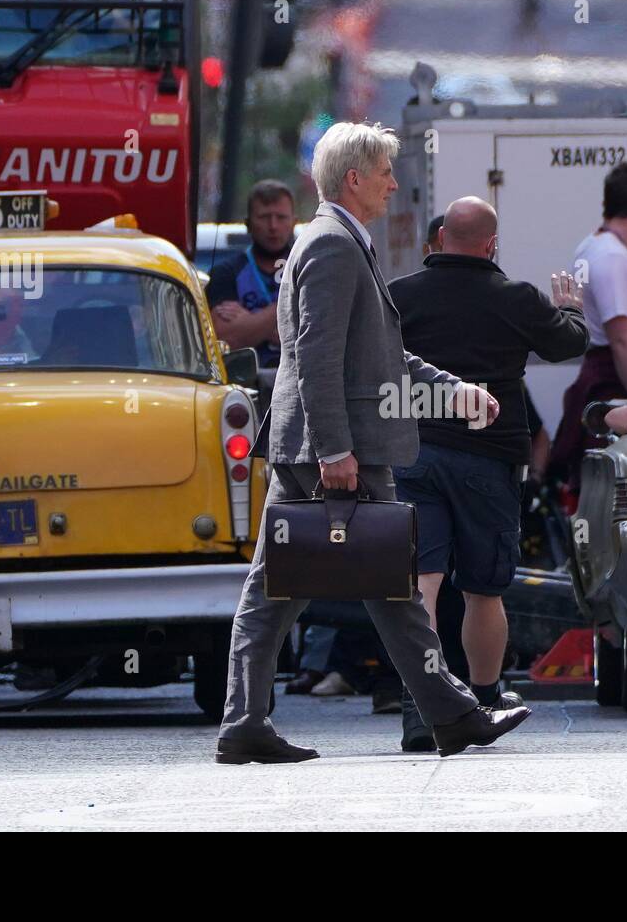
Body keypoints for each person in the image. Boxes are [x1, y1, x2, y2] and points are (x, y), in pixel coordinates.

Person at [215, 122, 530, 764]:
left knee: (318, 591)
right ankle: (451, 714)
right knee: (380, 586)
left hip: (326, 445)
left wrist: (453, 389)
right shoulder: (333, 245)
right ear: (354, 179)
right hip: (336, 451)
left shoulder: (339, 241)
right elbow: (317, 355)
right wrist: (334, 450)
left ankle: (250, 723)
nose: (394, 183)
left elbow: (378, 355)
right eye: (385, 172)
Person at [389, 196, 588, 750]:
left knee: (421, 583)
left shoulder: (400, 297)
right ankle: (484, 698)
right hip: (489, 458)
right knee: (483, 587)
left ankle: (420, 706)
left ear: (441, 238)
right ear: (491, 245)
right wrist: (570, 308)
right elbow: (570, 342)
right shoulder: (514, 298)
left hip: (413, 453)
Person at [550, 162, 627, 487]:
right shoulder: (612, 258)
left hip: (601, 376)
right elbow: (622, 340)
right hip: (611, 382)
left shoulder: (597, 248)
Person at [206, 179, 295, 369]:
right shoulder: (225, 273)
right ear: (248, 223)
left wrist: (250, 322)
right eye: (264, 217)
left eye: (281, 217)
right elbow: (226, 340)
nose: (273, 226)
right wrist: (286, 313)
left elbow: (322, 336)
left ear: (293, 223)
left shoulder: (309, 270)